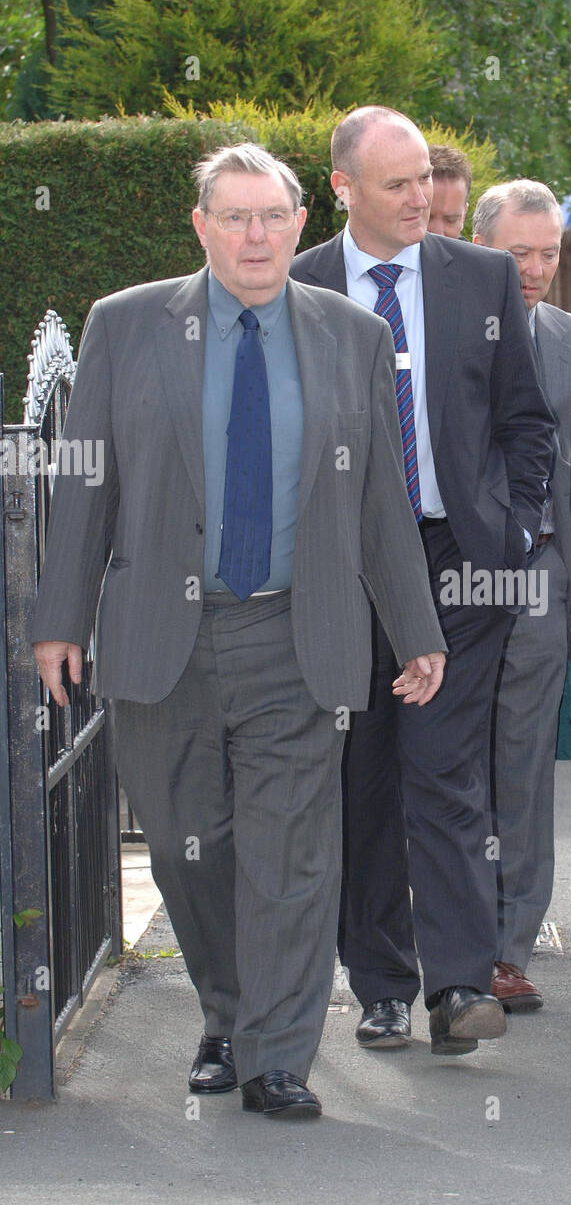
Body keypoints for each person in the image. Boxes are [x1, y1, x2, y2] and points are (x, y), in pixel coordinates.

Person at [31, 143, 447, 1119]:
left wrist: (416, 627)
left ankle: (275, 1056)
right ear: (202, 226)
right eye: (236, 217)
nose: (256, 236)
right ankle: (227, 1010)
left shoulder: (350, 334)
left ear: (300, 222)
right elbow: (85, 485)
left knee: (294, 852)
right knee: (188, 846)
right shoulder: (127, 326)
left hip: (297, 632)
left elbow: (385, 499)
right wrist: (59, 615)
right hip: (159, 632)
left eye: (273, 216)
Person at [290, 107, 554, 1055]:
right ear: (343, 189)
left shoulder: (479, 277)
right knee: (364, 773)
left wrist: (518, 528)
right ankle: (381, 982)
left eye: (423, 184)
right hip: (346, 565)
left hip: (460, 563)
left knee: (444, 767)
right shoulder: (300, 282)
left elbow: (527, 420)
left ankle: (457, 985)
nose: (418, 199)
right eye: (395, 184)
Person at [473, 179, 571, 1011]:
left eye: (549, 252)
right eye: (520, 253)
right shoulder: (439, 336)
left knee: (521, 767)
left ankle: (510, 947)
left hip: (541, 578)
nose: (537, 269)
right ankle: (443, 933)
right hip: (448, 581)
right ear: (482, 247)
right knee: (443, 764)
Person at [427, 144, 471, 238]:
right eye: (427, 217)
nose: (437, 233)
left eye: (451, 220)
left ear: (464, 216)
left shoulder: (474, 253)